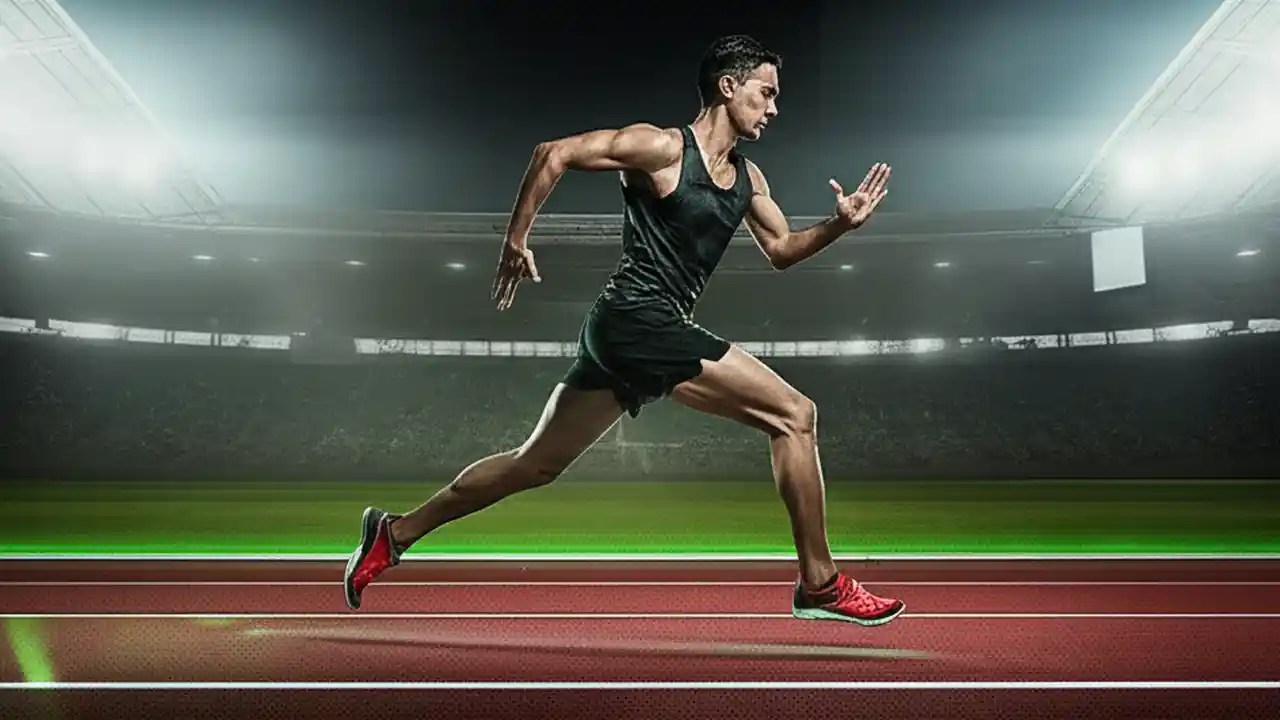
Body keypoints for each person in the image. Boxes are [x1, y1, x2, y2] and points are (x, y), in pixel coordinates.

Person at [344, 34, 903, 626]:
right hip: (639, 319)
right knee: (796, 415)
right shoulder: (661, 148)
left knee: (534, 465)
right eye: (766, 94)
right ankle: (819, 582)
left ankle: (393, 533)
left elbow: (784, 249)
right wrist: (515, 239)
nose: (773, 109)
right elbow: (550, 154)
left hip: (625, 333)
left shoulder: (749, 181)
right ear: (728, 86)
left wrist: (839, 227)